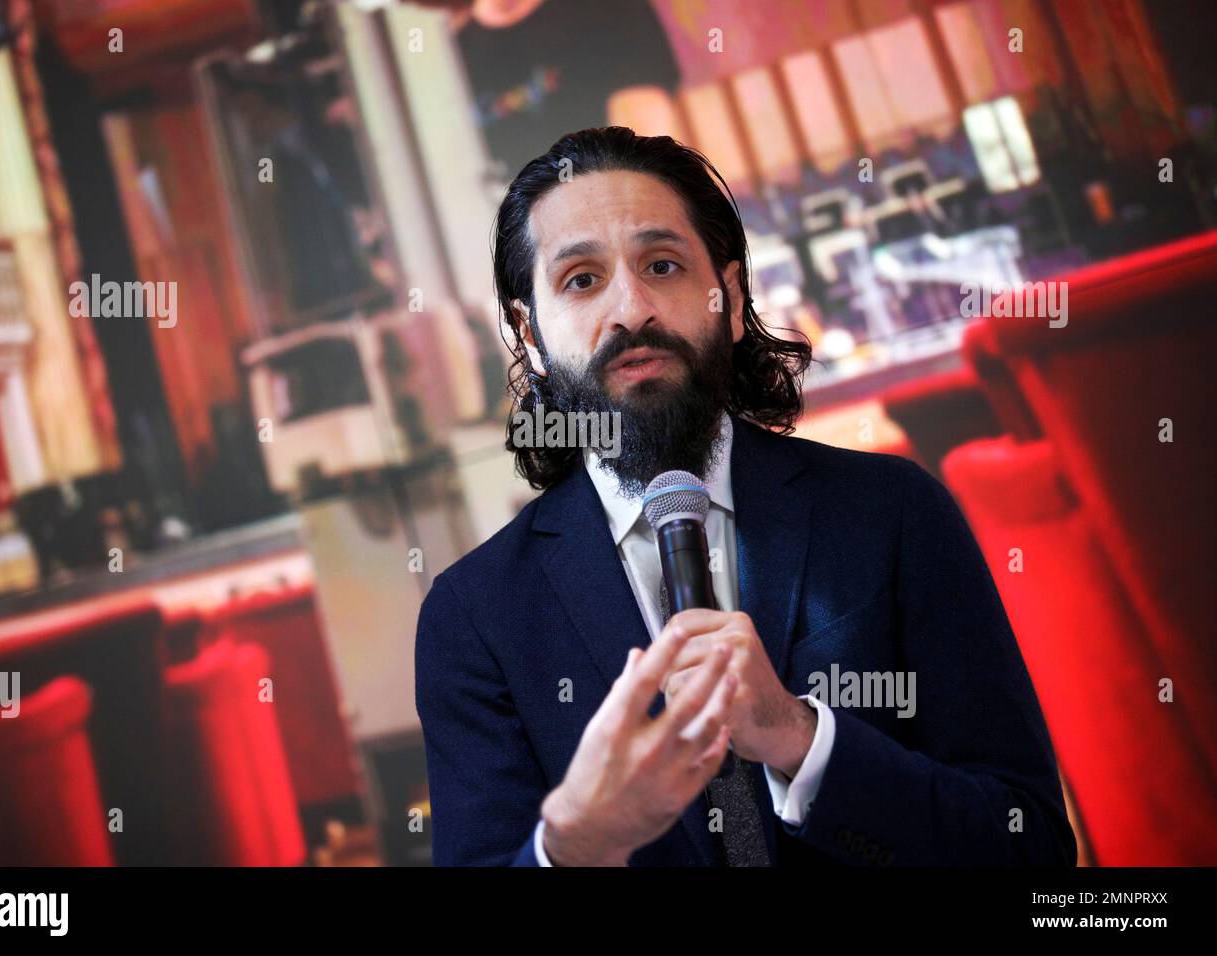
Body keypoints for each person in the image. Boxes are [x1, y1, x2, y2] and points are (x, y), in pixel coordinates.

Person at [414, 127, 1075, 867]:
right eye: (581, 280)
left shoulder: (893, 512)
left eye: (662, 265)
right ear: (529, 335)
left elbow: (1031, 844)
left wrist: (800, 737)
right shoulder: (472, 618)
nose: (631, 309)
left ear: (728, 298)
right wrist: (570, 842)